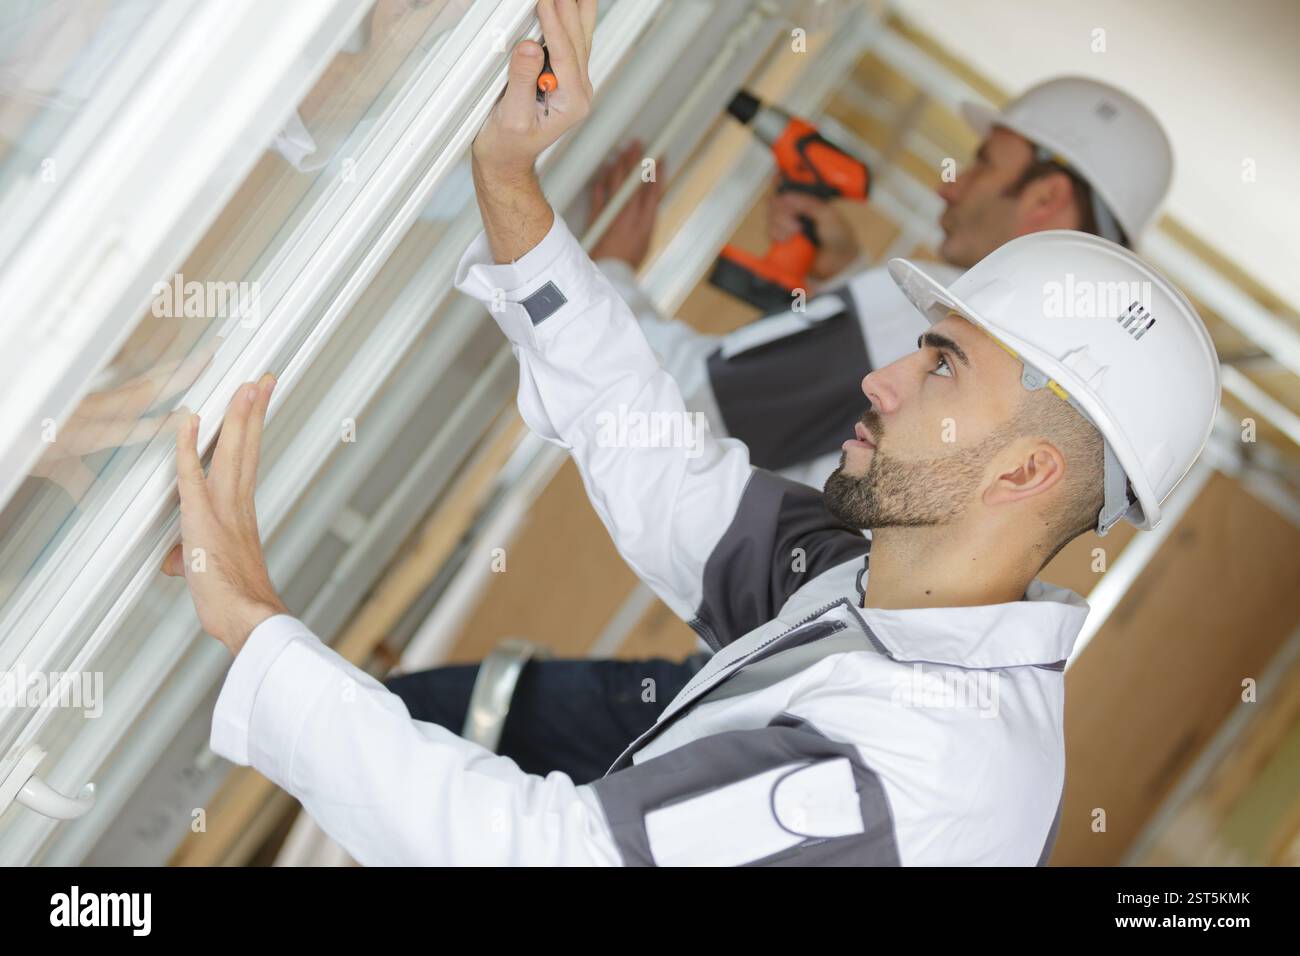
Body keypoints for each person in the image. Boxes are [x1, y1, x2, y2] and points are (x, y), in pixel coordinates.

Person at [169, 0, 1220, 865]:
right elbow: (666, 469)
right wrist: (509, 181)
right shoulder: (878, 584)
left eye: (940, 362)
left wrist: (254, 620)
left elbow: (544, 856)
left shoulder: (922, 771)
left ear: (1026, 468)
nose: (880, 373)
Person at [386, 74, 1177, 780]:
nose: (950, 186)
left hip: (749, 650)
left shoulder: (907, 756)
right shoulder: (968, 712)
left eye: (982, 163)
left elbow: (690, 404)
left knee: (424, 723)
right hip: (762, 631)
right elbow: (659, 459)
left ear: (1045, 199)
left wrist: (611, 267)